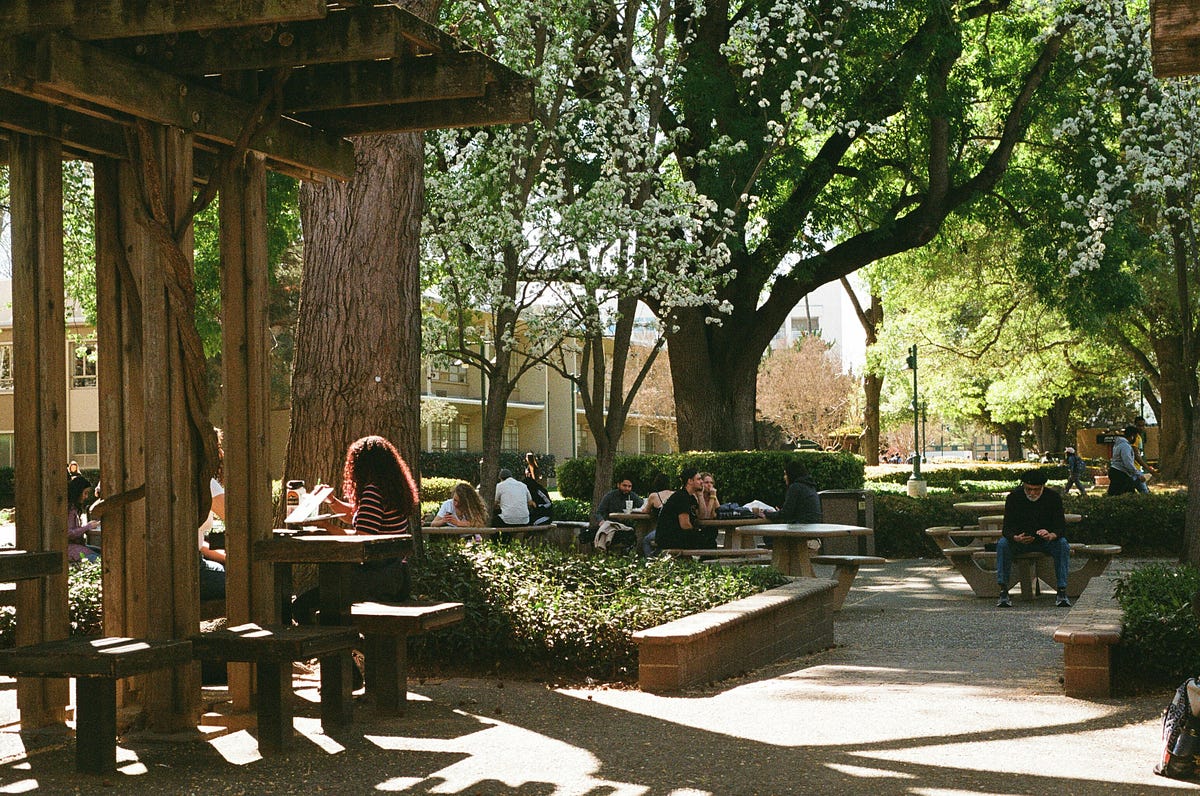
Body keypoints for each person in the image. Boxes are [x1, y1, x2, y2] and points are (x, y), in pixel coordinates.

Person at [294, 435, 417, 623]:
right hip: (396, 575)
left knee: (303, 606)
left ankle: (333, 650)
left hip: (376, 579)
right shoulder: (390, 489)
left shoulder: (372, 492)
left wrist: (325, 526)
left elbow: (361, 539)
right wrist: (332, 502)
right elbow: (360, 518)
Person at [995, 470, 1071, 608]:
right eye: (1028, 489)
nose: (1032, 493)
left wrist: (1051, 535)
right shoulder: (1014, 497)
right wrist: (1015, 537)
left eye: (1036, 490)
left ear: (1043, 487)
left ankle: (1061, 590)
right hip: (1020, 541)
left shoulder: (1053, 497)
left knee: (1063, 545)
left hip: (1045, 542)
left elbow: (1060, 527)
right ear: (1023, 486)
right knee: (1002, 545)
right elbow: (1006, 528)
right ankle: (1003, 590)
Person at [654, 467, 716, 550]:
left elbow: (703, 516)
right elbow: (685, 524)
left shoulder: (690, 497)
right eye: (698, 479)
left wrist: (700, 495)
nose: (701, 482)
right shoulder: (681, 497)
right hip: (670, 538)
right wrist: (697, 533)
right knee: (708, 541)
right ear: (690, 481)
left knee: (711, 532)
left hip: (680, 535)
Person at [754, 460, 822, 523]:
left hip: (802, 527)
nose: (784, 477)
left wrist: (766, 513)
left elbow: (786, 514)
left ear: (792, 474)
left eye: (786, 474)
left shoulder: (795, 487)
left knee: (768, 534)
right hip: (813, 525)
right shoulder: (810, 486)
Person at [635, 472, 674, 557]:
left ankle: (650, 560)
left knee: (646, 540)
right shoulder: (674, 494)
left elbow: (646, 510)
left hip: (662, 530)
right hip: (674, 528)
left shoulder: (654, 496)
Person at [66, 474, 101, 564]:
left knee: (101, 551)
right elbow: (69, 533)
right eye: (85, 493)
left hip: (76, 546)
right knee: (99, 559)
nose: (86, 497)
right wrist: (87, 527)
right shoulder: (70, 510)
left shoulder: (73, 508)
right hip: (70, 549)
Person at [1107, 425, 1143, 496]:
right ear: (1132, 436)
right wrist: (1138, 474)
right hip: (1121, 474)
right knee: (1130, 495)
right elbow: (1128, 463)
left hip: (1115, 471)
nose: (1136, 439)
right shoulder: (1125, 446)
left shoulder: (1118, 444)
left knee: (1114, 495)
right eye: (1135, 437)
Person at [1132, 417, 1156, 494]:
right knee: (1145, 493)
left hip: (1137, 469)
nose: (1141, 428)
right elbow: (1136, 455)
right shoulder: (1134, 438)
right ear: (1135, 425)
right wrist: (1147, 468)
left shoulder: (1139, 437)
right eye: (1139, 425)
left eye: (1143, 425)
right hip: (1134, 470)